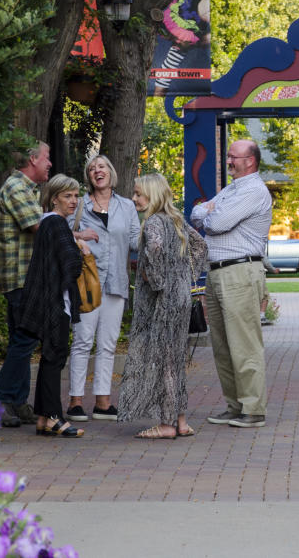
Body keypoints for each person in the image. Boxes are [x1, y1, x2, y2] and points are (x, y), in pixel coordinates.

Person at [117, 173, 208, 439]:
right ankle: (180, 421)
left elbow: (154, 250)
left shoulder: (154, 221)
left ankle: (167, 425)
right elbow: (201, 246)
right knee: (174, 360)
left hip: (162, 301)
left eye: (138, 193)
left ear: (152, 194)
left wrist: (154, 279)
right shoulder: (176, 219)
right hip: (179, 297)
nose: (134, 198)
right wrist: (183, 277)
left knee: (163, 362)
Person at [190, 139, 273, 429]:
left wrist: (207, 212)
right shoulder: (232, 189)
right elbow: (196, 213)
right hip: (217, 273)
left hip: (240, 272)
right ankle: (235, 405)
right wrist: (206, 211)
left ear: (250, 161)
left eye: (233, 157)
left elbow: (215, 223)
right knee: (223, 345)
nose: (228, 161)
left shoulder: (253, 191)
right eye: (228, 156)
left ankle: (253, 408)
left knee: (244, 343)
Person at [66, 155, 140, 422]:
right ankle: (75, 400)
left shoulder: (127, 206)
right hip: (86, 281)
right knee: (83, 340)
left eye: (102, 167)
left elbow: (135, 240)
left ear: (111, 172)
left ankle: (103, 402)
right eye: (92, 168)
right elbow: (59, 230)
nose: (98, 171)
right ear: (89, 177)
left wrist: (159, 234)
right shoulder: (80, 205)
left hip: (116, 281)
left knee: (108, 343)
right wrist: (79, 236)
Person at [15, 174, 85, 438]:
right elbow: (70, 262)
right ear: (54, 197)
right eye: (67, 196)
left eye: (76, 196)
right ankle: (55, 417)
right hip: (56, 300)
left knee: (50, 358)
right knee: (55, 356)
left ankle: (44, 417)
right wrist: (80, 251)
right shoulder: (57, 224)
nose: (73, 201)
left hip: (49, 298)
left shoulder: (46, 223)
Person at [0, 140, 52, 428]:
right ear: (32, 159)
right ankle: (1, 401)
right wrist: (76, 234)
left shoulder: (27, 189)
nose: (50, 163)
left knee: (21, 339)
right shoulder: (15, 188)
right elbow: (38, 226)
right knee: (25, 339)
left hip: (24, 277)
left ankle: (16, 401)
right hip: (20, 278)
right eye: (47, 157)